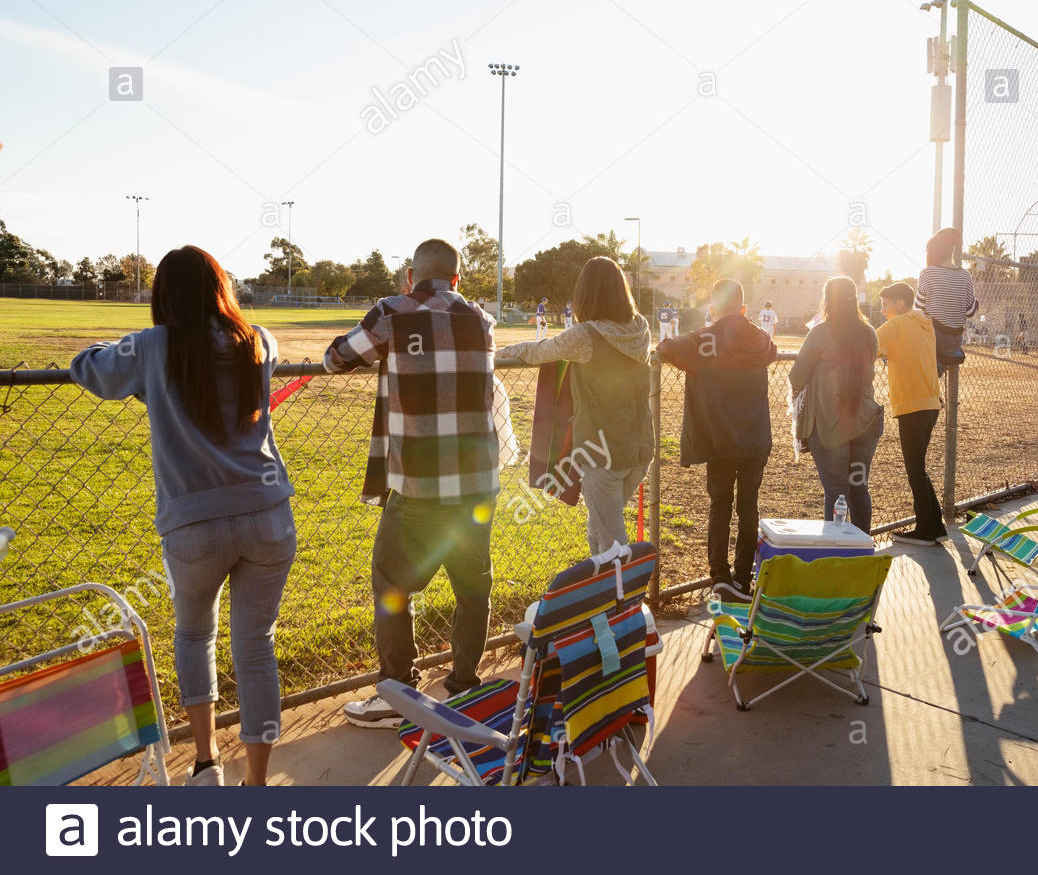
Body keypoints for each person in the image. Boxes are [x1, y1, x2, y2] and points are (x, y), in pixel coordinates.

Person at [69, 245, 295, 786]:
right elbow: (263, 352)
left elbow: (88, 369)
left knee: (195, 636)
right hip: (267, 514)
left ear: (164, 295)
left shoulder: (152, 346)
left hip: (193, 523)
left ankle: (205, 761)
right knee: (257, 646)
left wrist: (131, 355)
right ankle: (258, 783)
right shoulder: (256, 340)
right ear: (221, 289)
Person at [325, 239, 500, 729]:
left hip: (420, 487)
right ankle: (465, 684)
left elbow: (336, 358)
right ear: (458, 279)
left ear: (410, 277)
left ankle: (397, 692)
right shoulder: (482, 321)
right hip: (478, 486)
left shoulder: (391, 312)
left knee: (392, 585)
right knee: (472, 585)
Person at [499, 257, 653, 555]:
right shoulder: (641, 328)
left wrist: (495, 356)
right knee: (600, 526)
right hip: (639, 445)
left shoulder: (587, 335)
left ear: (586, 293)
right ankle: (605, 591)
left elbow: (539, 351)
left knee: (611, 541)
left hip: (602, 452)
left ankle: (623, 599)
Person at [658, 279, 777, 599]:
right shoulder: (759, 337)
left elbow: (667, 348)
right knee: (748, 507)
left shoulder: (705, 339)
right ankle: (742, 578)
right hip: (754, 437)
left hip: (721, 439)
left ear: (712, 309)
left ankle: (720, 576)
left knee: (721, 506)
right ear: (742, 308)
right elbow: (772, 349)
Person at [789, 276, 884, 533]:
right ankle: (862, 549)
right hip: (865, 420)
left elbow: (797, 375)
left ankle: (836, 550)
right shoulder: (869, 333)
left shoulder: (820, 333)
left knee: (836, 489)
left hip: (830, 424)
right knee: (857, 486)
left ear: (828, 300)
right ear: (855, 299)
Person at [876, 282, 945, 545]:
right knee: (918, 468)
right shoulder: (922, 323)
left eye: (886, 303)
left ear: (901, 304)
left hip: (913, 406)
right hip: (929, 403)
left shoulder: (897, 325)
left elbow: (867, 344)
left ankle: (926, 529)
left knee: (915, 469)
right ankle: (934, 525)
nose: (883, 308)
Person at [916, 228, 977, 375]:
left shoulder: (927, 273)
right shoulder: (964, 275)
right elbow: (970, 312)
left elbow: (918, 309)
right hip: (955, 342)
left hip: (933, 341)